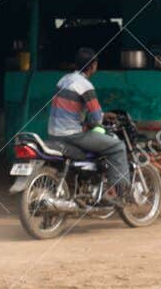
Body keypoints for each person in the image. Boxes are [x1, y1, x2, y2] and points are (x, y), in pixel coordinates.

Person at [47, 47, 129, 201]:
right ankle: (118, 194)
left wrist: (98, 117)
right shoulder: (85, 85)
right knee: (117, 147)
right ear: (93, 66)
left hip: (54, 133)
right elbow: (97, 119)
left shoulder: (63, 80)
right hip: (72, 135)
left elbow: (71, 109)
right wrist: (101, 118)